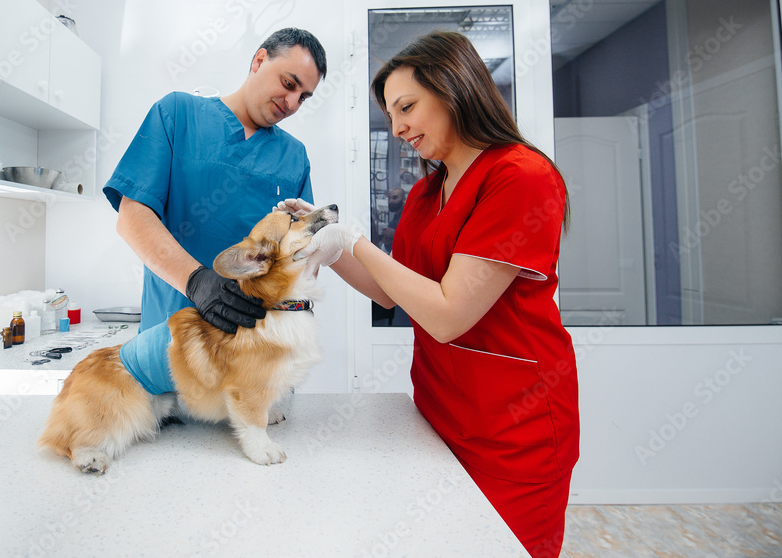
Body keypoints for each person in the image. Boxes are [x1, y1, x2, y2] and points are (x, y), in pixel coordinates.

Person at [283, 31, 578, 558]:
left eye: (407, 107)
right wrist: (327, 239)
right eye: (391, 114)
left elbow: (447, 315)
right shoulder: (426, 192)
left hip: (516, 426)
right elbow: (393, 293)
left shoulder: (520, 177)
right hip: (441, 410)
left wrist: (352, 239)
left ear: (454, 88)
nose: (396, 128)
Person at [103, 28, 327, 395]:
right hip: (174, 352)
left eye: (303, 97)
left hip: (257, 365)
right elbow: (131, 217)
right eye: (288, 83)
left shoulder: (294, 156)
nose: (291, 102)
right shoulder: (177, 114)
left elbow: (299, 256)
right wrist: (196, 281)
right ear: (259, 60)